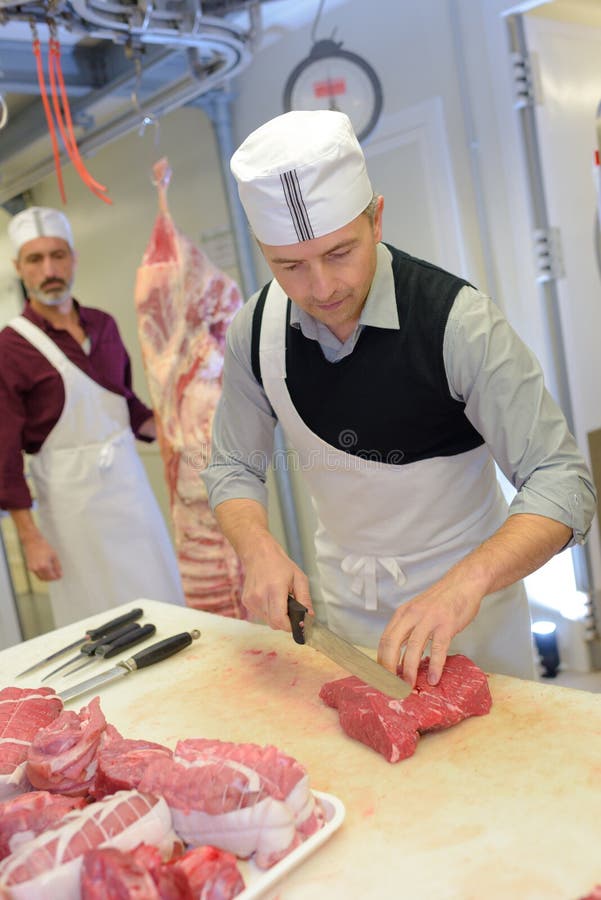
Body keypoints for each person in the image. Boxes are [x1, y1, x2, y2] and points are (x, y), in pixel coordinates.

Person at [202, 110, 597, 686]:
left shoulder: (457, 324)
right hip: (344, 617)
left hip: (469, 619)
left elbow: (563, 480)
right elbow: (232, 464)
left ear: (376, 218)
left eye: (340, 253)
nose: (321, 288)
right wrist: (257, 545)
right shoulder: (254, 332)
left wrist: (467, 582)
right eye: (289, 265)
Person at [0, 206, 185, 627]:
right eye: (35, 259)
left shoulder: (103, 325)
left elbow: (127, 406)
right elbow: (4, 454)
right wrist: (30, 538)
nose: (49, 269)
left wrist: (183, 427)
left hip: (129, 489)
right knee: (97, 619)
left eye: (58, 255)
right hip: (70, 510)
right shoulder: (10, 347)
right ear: (19, 268)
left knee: (163, 600)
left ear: (73, 259)